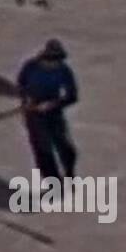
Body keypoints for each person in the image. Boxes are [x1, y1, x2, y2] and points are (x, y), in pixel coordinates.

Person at [17, 38, 79, 179]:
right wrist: (26, 99)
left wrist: (53, 104)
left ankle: (69, 173)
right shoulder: (31, 66)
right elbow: (20, 85)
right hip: (34, 113)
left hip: (54, 112)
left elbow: (72, 96)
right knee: (44, 151)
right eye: (51, 61)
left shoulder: (64, 70)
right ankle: (53, 183)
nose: (54, 65)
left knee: (67, 148)